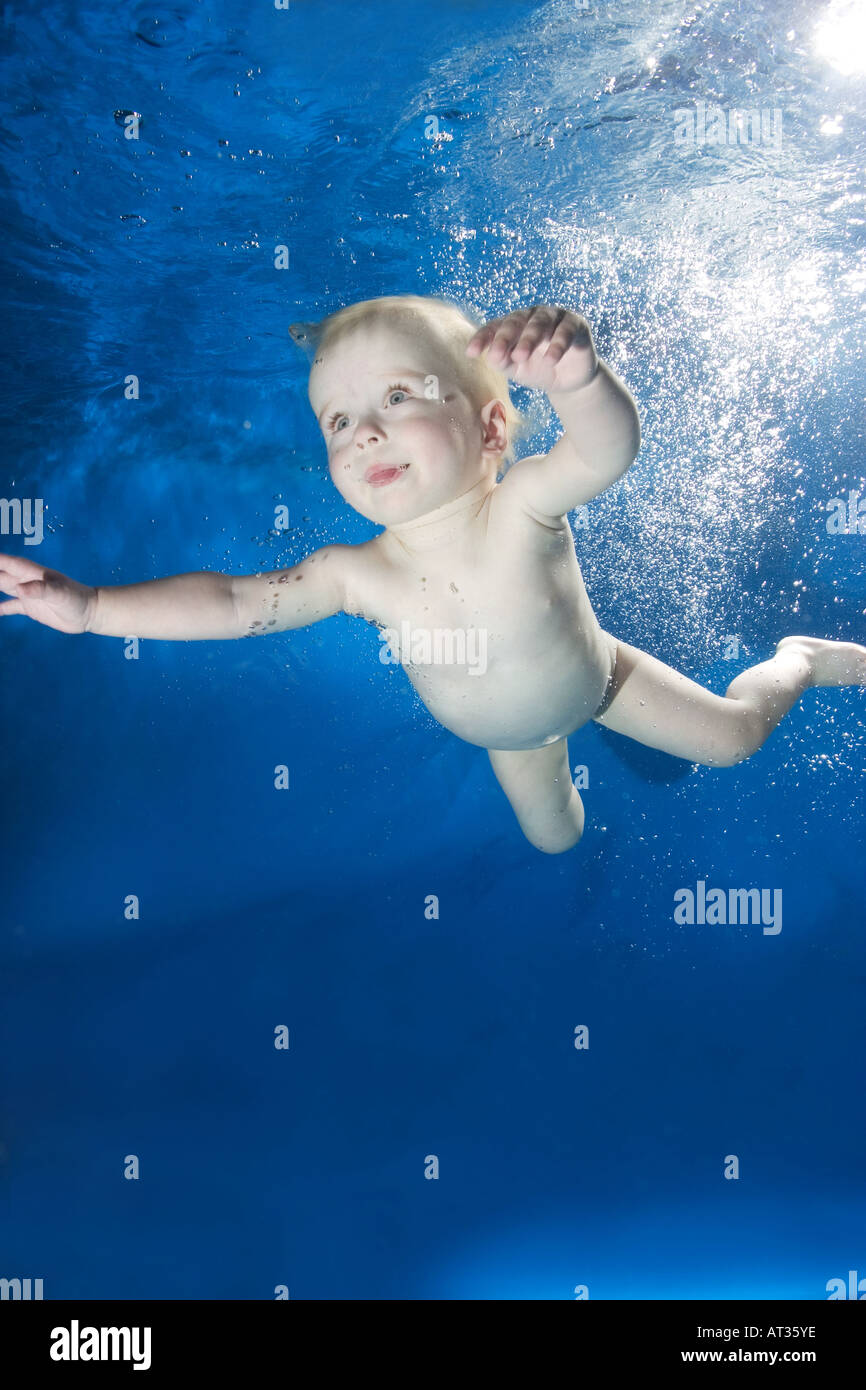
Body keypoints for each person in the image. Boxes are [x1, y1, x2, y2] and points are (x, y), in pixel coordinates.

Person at [2, 296, 863, 853]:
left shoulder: (524, 501)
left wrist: (579, 379)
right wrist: (92, 611)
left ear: (491, 429)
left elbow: (609, 448)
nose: (363, 434)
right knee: (558, 838)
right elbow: (232, 604)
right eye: (338, 420)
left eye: (398, 399)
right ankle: (565, 770)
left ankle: (802, 656)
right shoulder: (353, 572)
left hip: (601, 679)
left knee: (734, 741)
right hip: (508, 736)